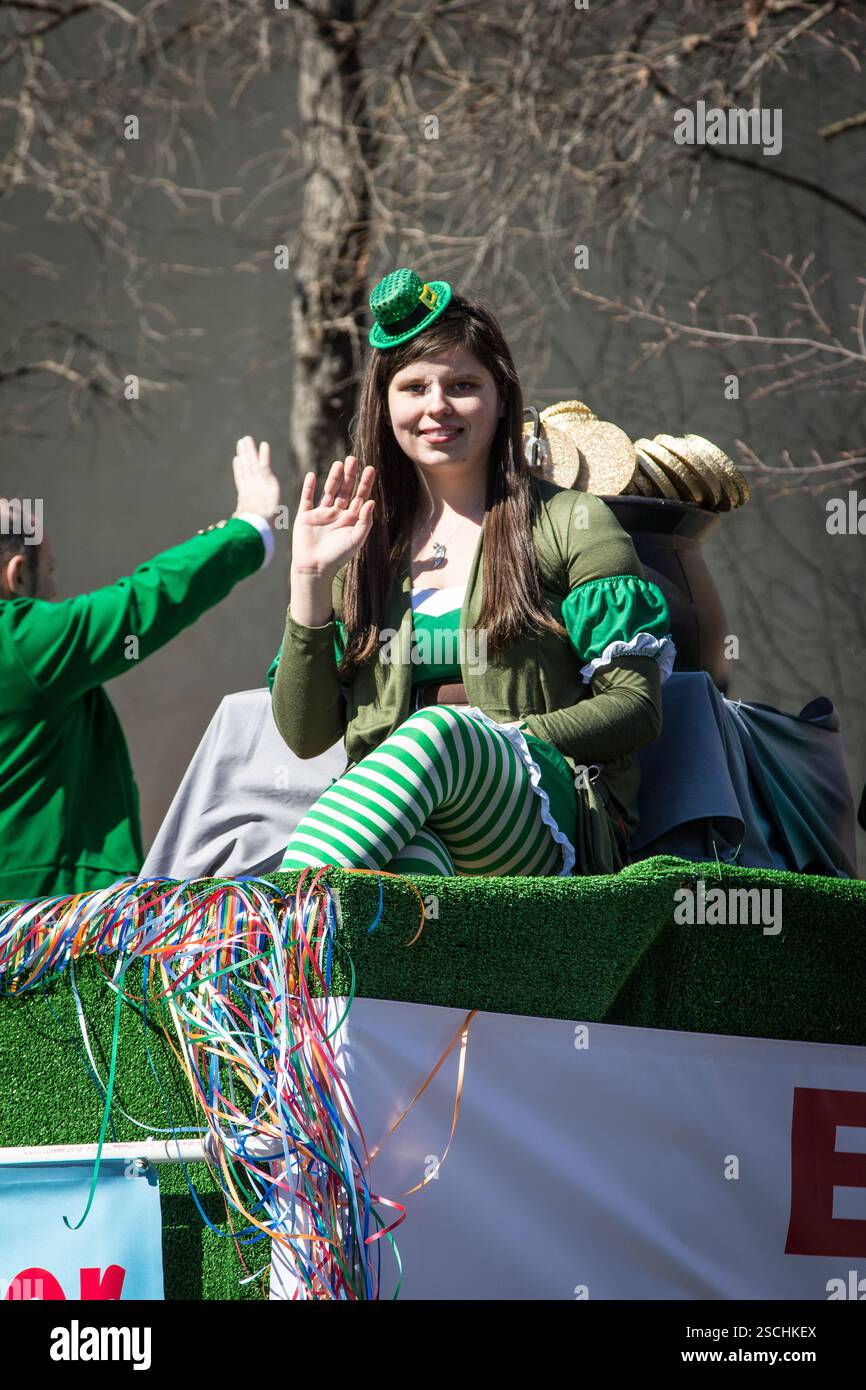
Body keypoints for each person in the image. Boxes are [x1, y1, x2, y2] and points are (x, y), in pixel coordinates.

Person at [270, 268, 676, 877]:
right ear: (384, 407)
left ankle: (273, 923)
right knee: (400, 876)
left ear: (501, 397)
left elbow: (636, 707)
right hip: (409, 822)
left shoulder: (572, 521)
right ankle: (283, 964)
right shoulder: (363, 548)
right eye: (413, 388)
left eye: (462, 384)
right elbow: (304, 736)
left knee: (443, 734)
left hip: (545, 821)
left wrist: (509, 737)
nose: (437, 406)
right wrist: (308, 580)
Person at [0, 438, 281, 901]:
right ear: (17, 576)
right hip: (41, 916)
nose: (55, 595)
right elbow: (145, 601)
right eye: (49, 573)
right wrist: (250, 528)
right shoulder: (21, 642)